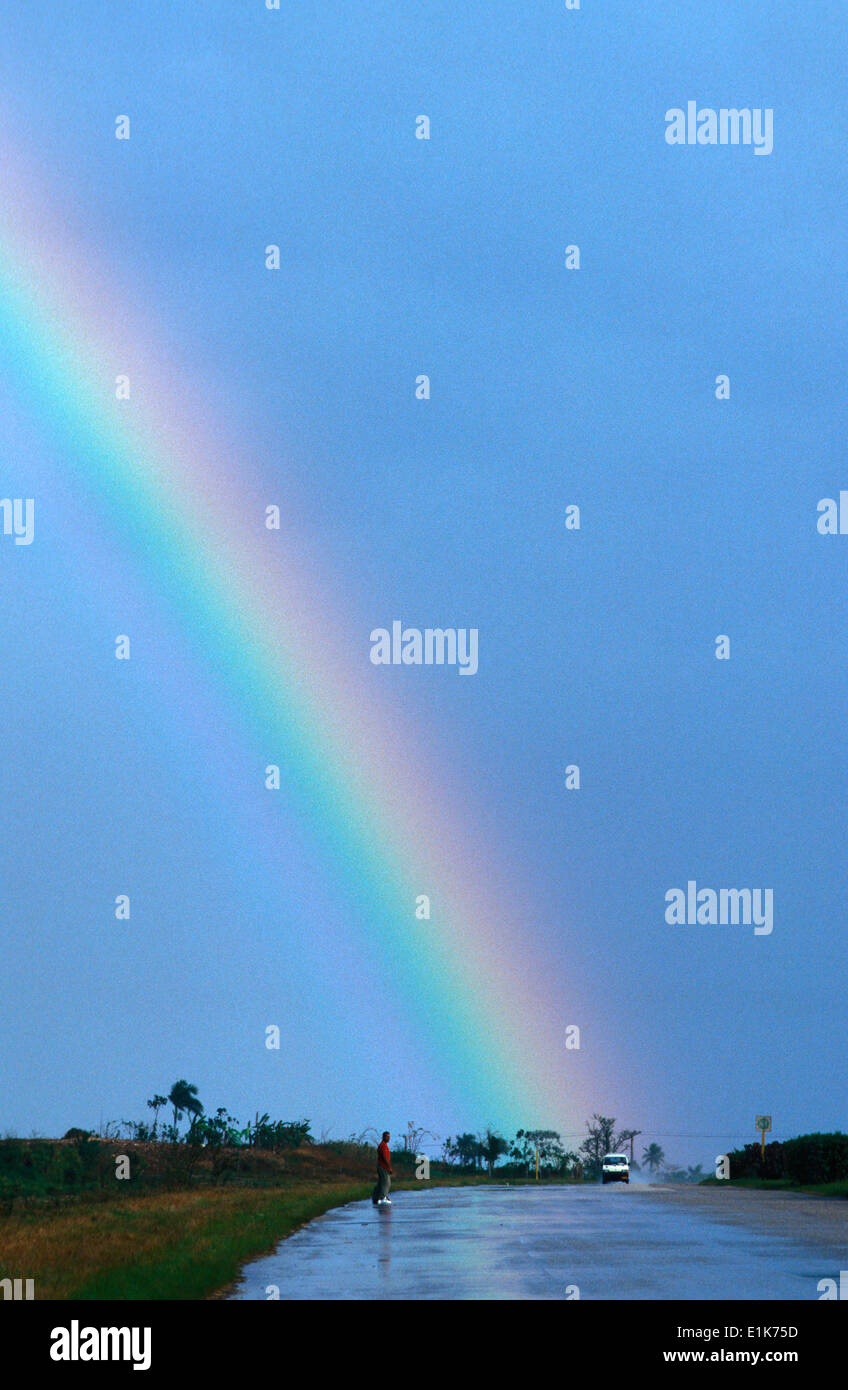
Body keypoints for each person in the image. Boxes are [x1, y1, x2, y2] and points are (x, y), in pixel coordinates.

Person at [372, 1130, 393, 1205]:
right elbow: (384, 1157)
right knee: (386, 1183)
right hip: (383, 1167)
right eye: (387, 1137)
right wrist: (389, 1167)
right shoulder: (383, 1145)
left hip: (383, 1166)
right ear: (383, 1137)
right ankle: (382, 1197)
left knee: (381, 1183)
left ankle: (376, 1197)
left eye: (389, 1137)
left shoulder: (384, 1145)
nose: (388, 1138)